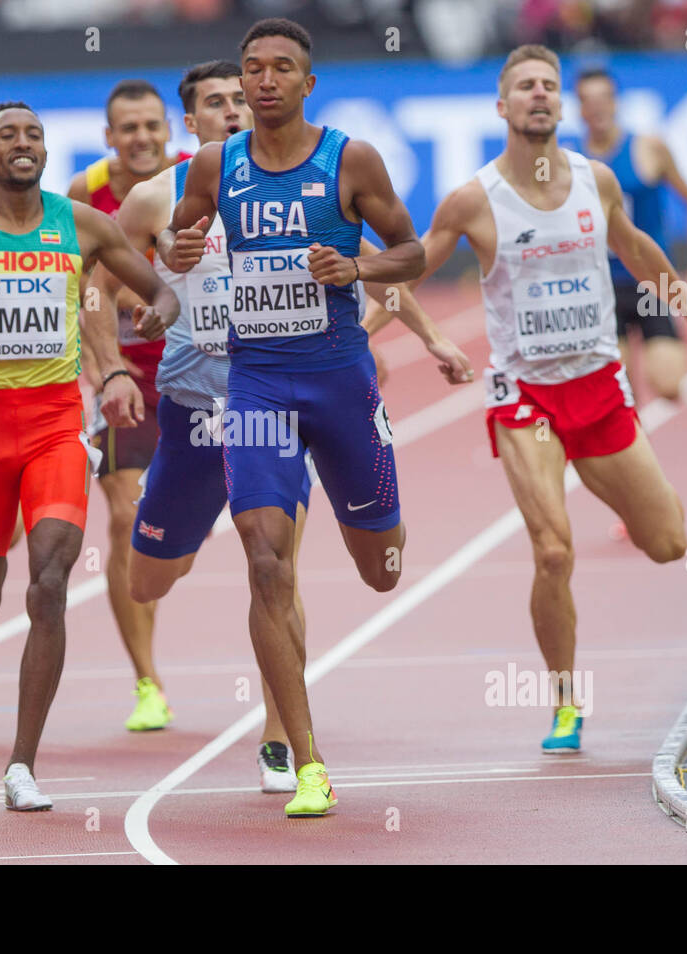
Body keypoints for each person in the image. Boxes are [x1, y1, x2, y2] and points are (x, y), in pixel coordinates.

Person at [90, 59, 471, 789]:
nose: (235, 110)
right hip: (195, 414)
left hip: (269, 402)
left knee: (272, 564)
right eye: (217, 103)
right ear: (190, 125)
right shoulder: (156, 200)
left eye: (242, 98)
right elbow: (95, 291)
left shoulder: (302, 181)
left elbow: (374, 255)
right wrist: (116, 358)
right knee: (148, 580)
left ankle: (282, 738)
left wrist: (425, 337)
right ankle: (179, 552)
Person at [412, 45, 687, 754]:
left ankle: (602, 473)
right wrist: (396, 330)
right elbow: (413, 265)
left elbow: (638, 247)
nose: (539, 95)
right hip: (522, 392)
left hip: (598, 387)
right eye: (525, 87)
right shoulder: (474, 197)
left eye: (548, 86)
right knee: (553, 551)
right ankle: (564, 702)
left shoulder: (598, 180)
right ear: (502, 107)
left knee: (667, 542)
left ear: (559, 105)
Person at [161, 19, 433, 817]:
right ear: (241, 86)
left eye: (283, 68)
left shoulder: (349, 158)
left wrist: (357, 265)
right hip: (256, 387)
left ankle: (380, 527)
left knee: (380, 569)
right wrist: (181, 252)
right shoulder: (214, 165)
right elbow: (183, 239)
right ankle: (305, 760)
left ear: (308, 83)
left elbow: (412, 251)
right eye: (254, 69)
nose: (266, 80)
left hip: (341, 384)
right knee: (264, 558)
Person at [0, 101, 177, 811]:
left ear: (45, 153)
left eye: (34, 135)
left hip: (53, 427)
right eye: (7, 136)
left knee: (48, 584)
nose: (23, 143)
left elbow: (160, 291)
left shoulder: (81, 224)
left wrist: (155, 314)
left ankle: (22, 765)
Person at [67, 79, 194, 732]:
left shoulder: (193, 183)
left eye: (152, 125)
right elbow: (77, 290)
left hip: (197, 379)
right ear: (109, 137)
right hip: (125, 382)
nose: (142, 137)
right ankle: (147, 680)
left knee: (173, 543)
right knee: (124, 516)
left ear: (169, 130)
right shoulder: (85, 196)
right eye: (128, 128)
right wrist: (102, 370)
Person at [577, 68, 687, 402]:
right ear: (578, 108)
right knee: (619, 394)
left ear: (616, 102)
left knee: (667, 385)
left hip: (649, 281)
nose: (597, 108)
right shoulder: (571, 160)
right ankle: (635, 443)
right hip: (602, 287)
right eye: (587, 100)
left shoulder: (648, 148)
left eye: (603, 98)